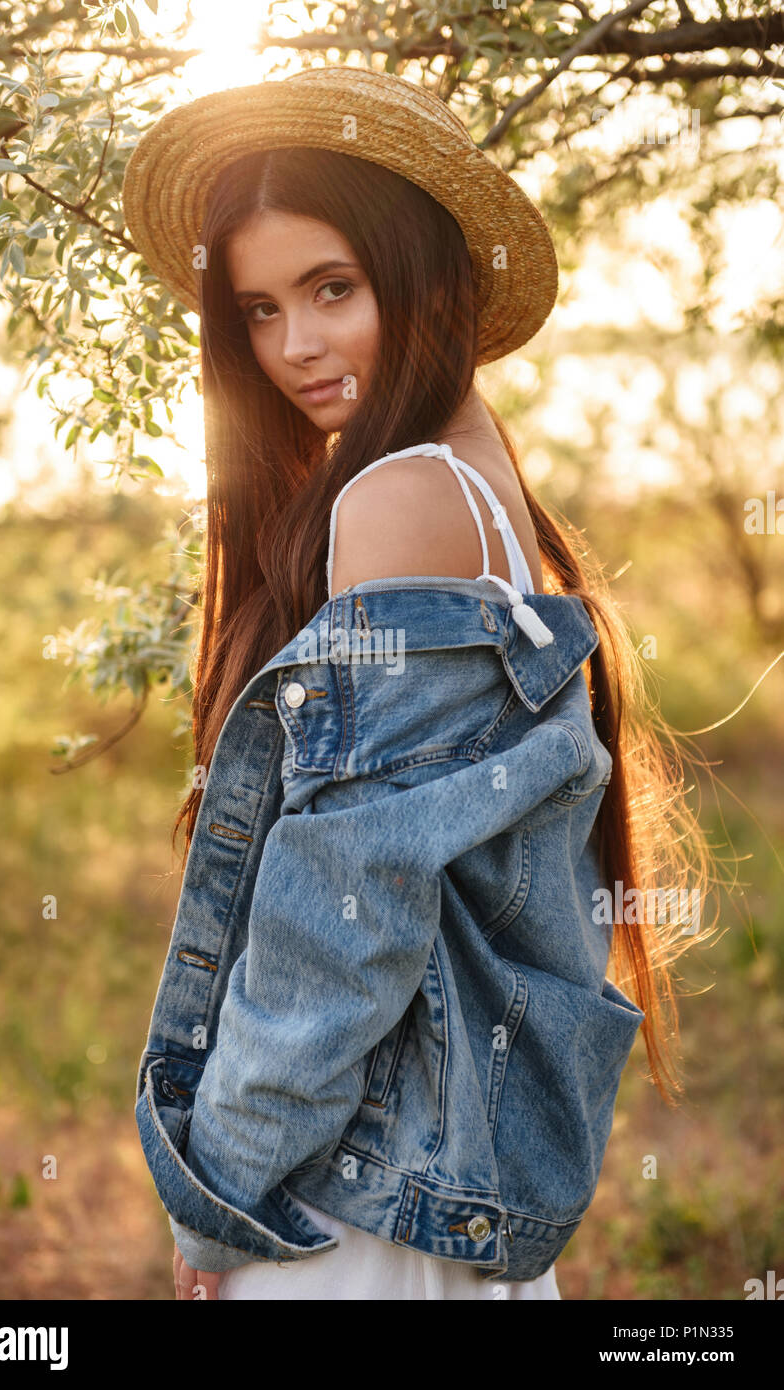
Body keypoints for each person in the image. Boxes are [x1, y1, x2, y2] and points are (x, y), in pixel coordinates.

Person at [121, 65, 715, 1301]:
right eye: (262, 309)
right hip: (430, 1179)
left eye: (332, 288)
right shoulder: (478, 475)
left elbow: (343, 912)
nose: (295, 346)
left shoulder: (397, 501)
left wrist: (223, 1189)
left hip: (349, 1203)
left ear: (422, 268)